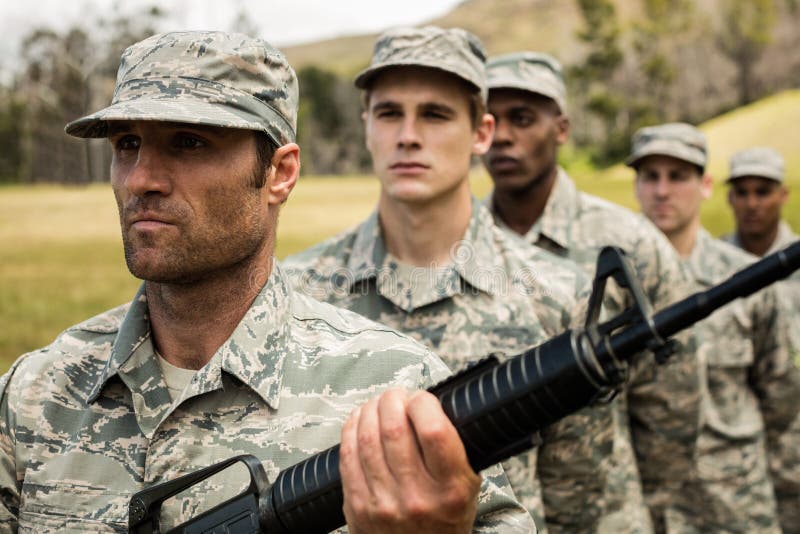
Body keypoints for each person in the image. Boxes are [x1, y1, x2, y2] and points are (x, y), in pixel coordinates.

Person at [0, 31, 535, 533]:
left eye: (188, 143)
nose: (142, 179)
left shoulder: (391, 394)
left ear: (280, 174)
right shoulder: (36, 393)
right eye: (127, 145)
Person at [284, 26, 614, 533]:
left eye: (435, 114)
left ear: (482, 133)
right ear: (366, 125)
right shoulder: (296, 292)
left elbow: (581, 506)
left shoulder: (556, 294)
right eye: (390, 112)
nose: (408, 135)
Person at [481, 51, 701, 532]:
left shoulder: (630, 244)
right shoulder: (453, 243)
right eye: (491, 120)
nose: (505, 137)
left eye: (523, 119)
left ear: (561, 128)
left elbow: (673, 401)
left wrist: (643, 508)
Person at [629, 122, 800, 532]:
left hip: (732, 507)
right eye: (650, 176)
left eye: (678, 176)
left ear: (705, 185)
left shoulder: (747, 281)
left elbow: (782, 397)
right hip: (642, 509)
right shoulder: (610, 287)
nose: (663, 191)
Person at [721, 148, 800, 335]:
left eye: (762, 192)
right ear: (730, 198)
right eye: (742, 193)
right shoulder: (712, 263)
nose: (752, 204)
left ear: (783, 195)